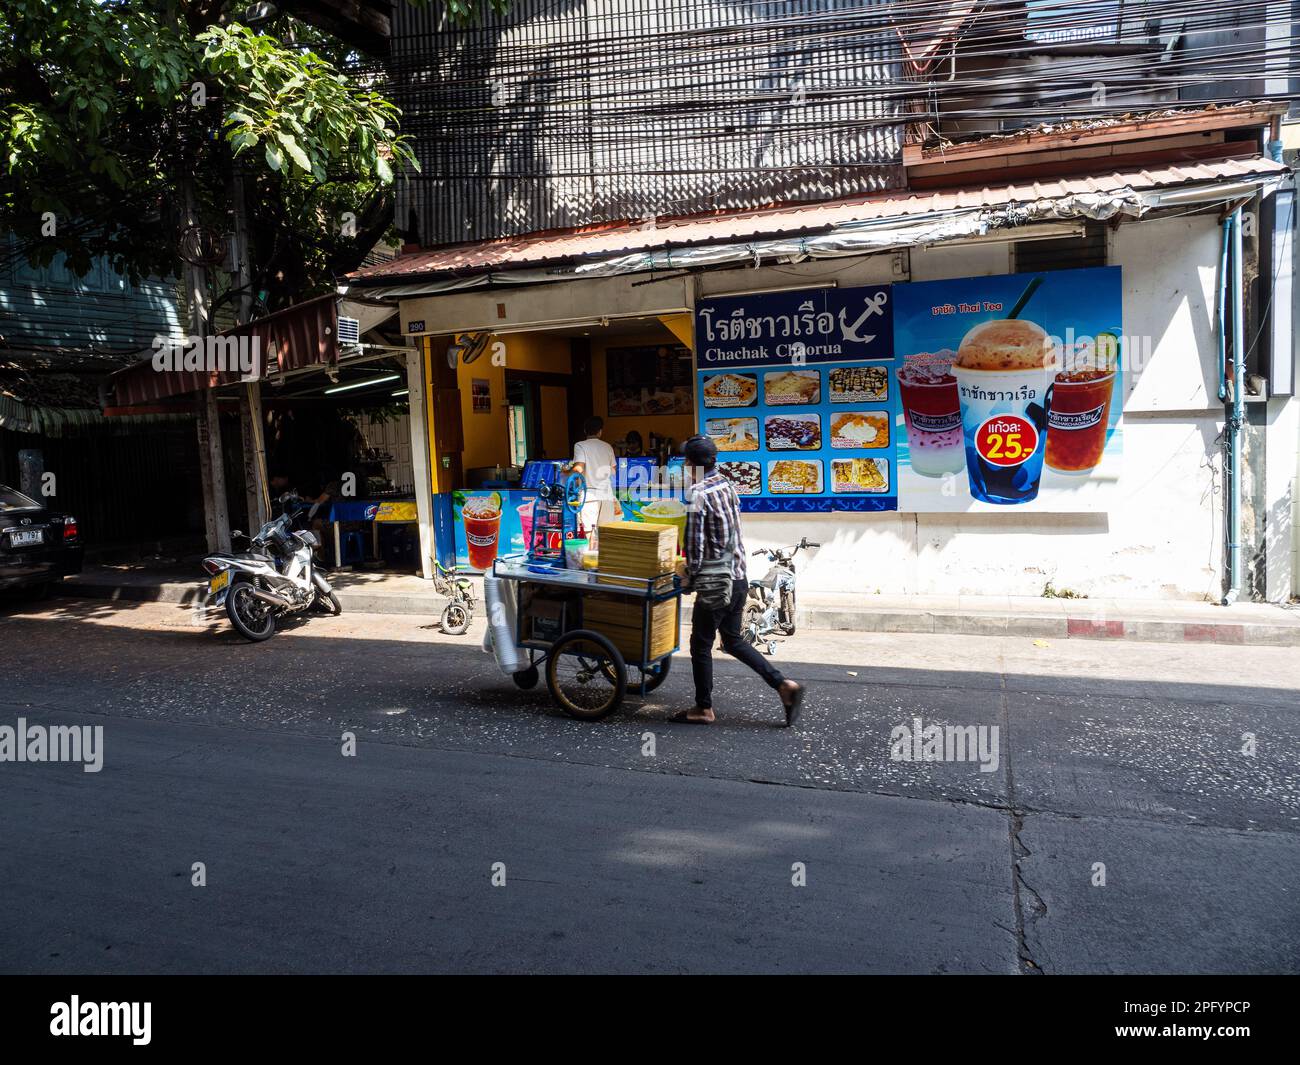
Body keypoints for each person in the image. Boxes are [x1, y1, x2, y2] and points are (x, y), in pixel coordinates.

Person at [676, 434, 805, 727]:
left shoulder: (698, 494)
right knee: (733, 641)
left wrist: (689, 579)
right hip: (738, 577)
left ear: (692, 465)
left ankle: (703, 708)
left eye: (686, 461)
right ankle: (784, 685)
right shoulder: (726, 484)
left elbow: (695, 549)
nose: (684, 465)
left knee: (700, 644)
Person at [573, 416, 618, 537]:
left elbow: (579, 468)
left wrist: (564, 471)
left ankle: (590, 555)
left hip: (589, 495)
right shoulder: (607, 447)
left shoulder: (580, 445)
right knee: (606, 533)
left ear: (585, 430)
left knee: (589, 533)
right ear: (600, 431)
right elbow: (613, 471)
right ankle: (604, 556)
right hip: (606, 495)